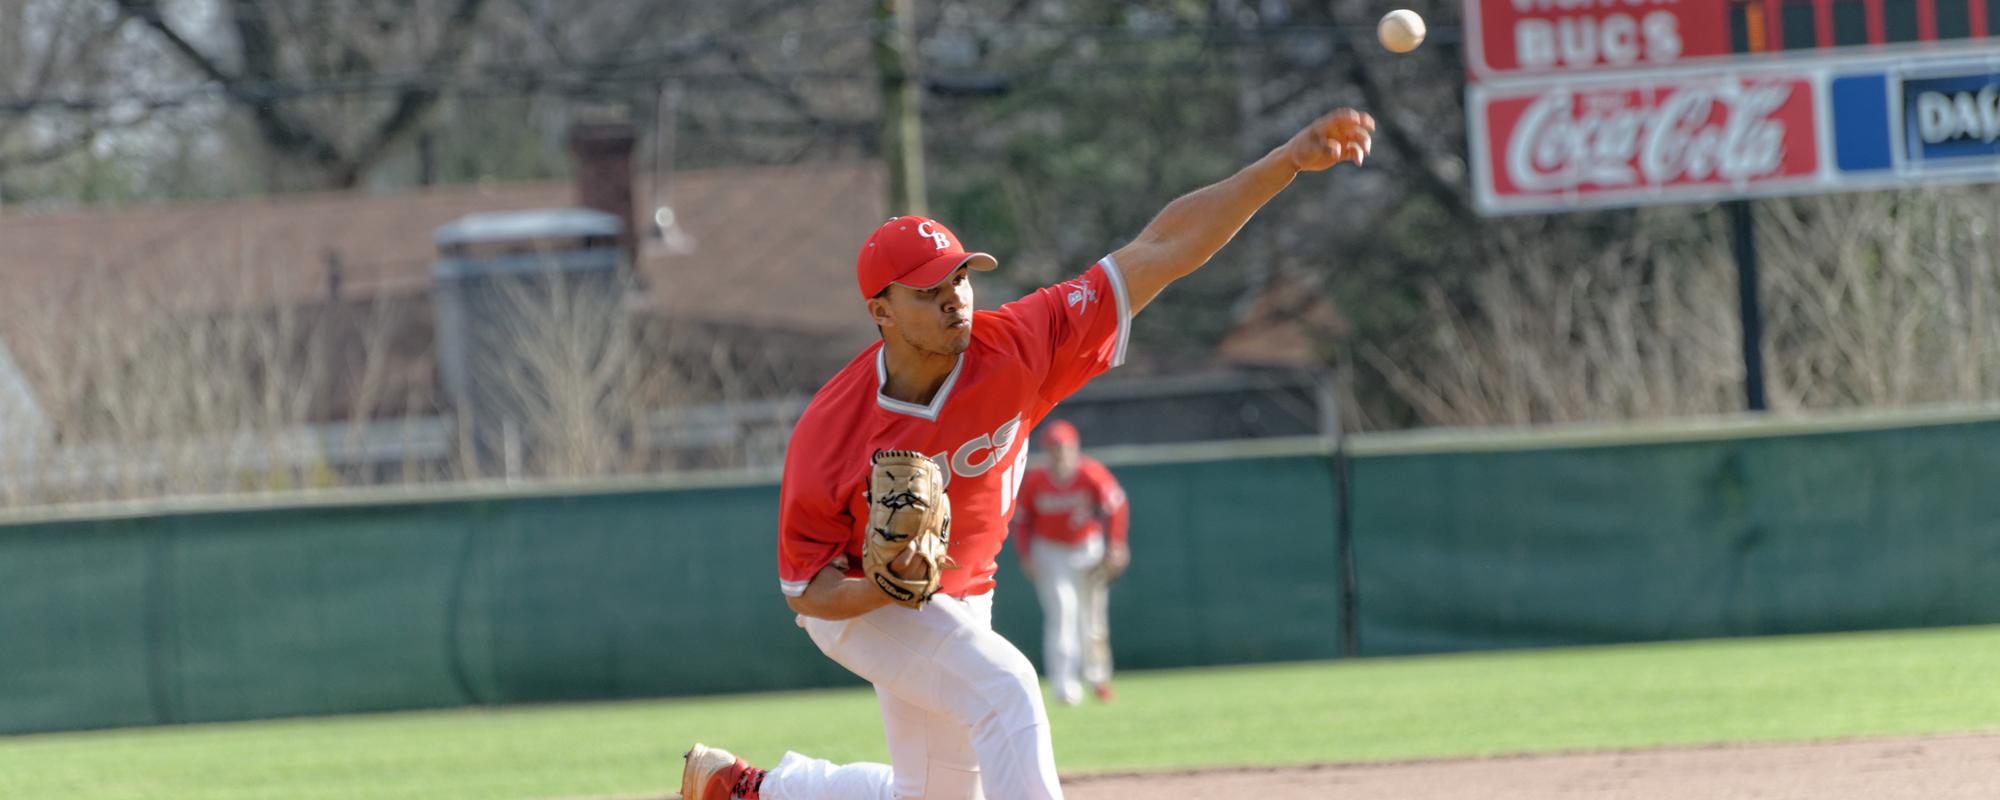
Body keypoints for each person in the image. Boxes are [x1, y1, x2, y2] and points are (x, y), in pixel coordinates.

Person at [679, 107, 1374, 800]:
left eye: (960, 278)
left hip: (964, 595)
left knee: (937, 797)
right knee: (1008, 688)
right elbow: (806, 588)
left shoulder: (1018, 345)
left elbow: (1161, 248)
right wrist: (883, 588)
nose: (954, 299)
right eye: (928, 291)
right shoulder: (831, 429)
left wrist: (1284, 161)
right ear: (881, 312)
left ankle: (748, 790)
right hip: (862, 609)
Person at [1012, 420, 1128, 707]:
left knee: (1093, 617)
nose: (1060, 454)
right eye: (1054, 448)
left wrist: (1115, 544)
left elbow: (1116, 505)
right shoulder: (1036, 479)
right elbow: (1022, 520)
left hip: (1087, 548)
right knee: (1062, 614)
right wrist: (1026, 555)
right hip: (1050, 551)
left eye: (1064, 448)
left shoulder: (1090, 472)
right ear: (1046, 451)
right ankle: (1064, 686)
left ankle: (1098, 678)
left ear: (1074, 447)